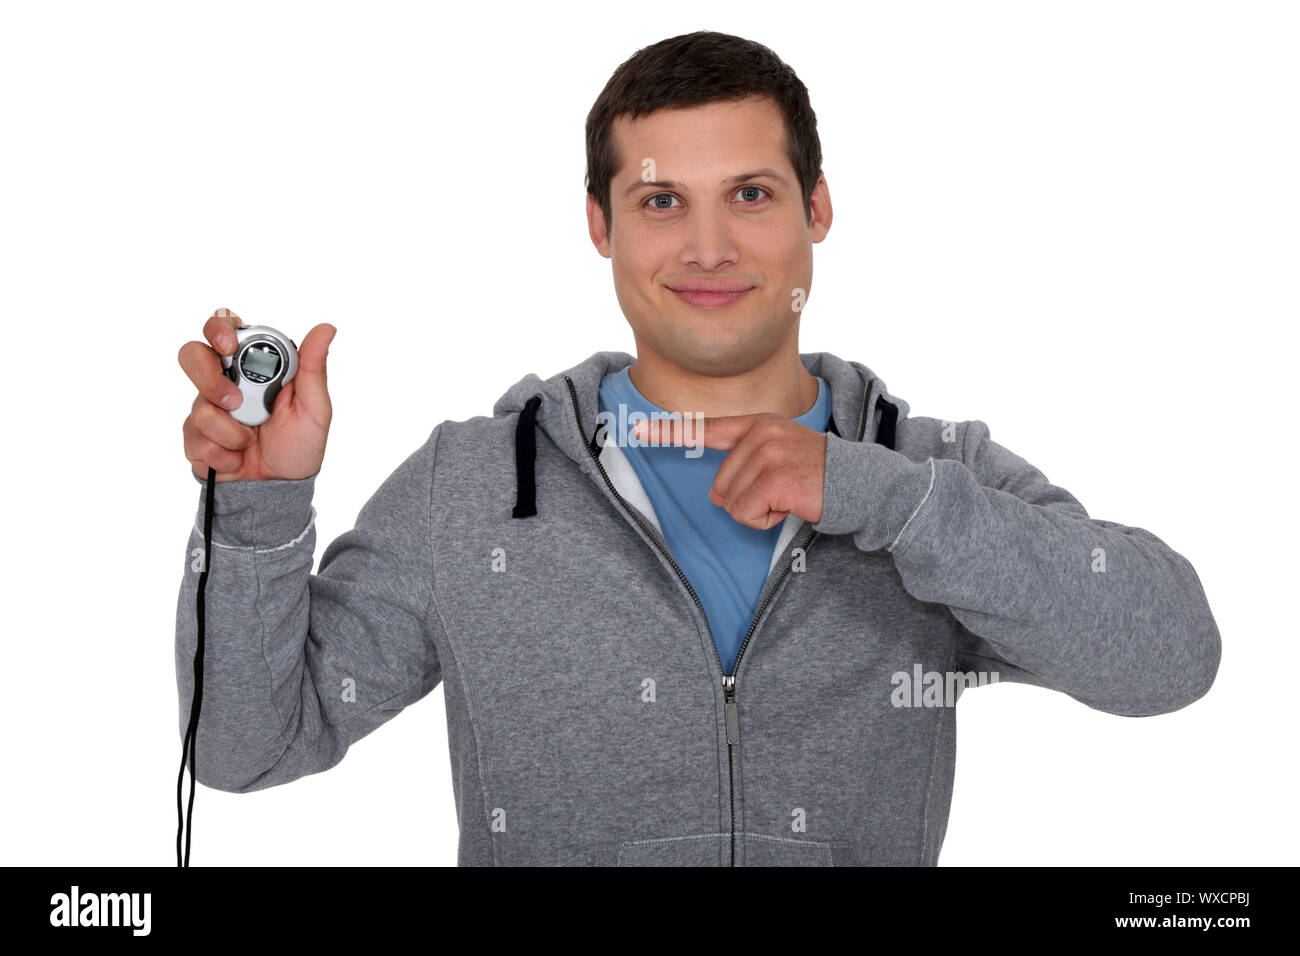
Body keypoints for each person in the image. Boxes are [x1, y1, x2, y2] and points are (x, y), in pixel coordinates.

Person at [175, 31, 1221, 866]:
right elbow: (246, 746)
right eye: (662, 201)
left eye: (752, 196)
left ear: (817, 208)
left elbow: (1168, 658)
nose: (709, 247)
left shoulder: (924, 470)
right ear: (601, 223)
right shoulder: (476, 483)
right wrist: (261, 517)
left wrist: (885, 500)